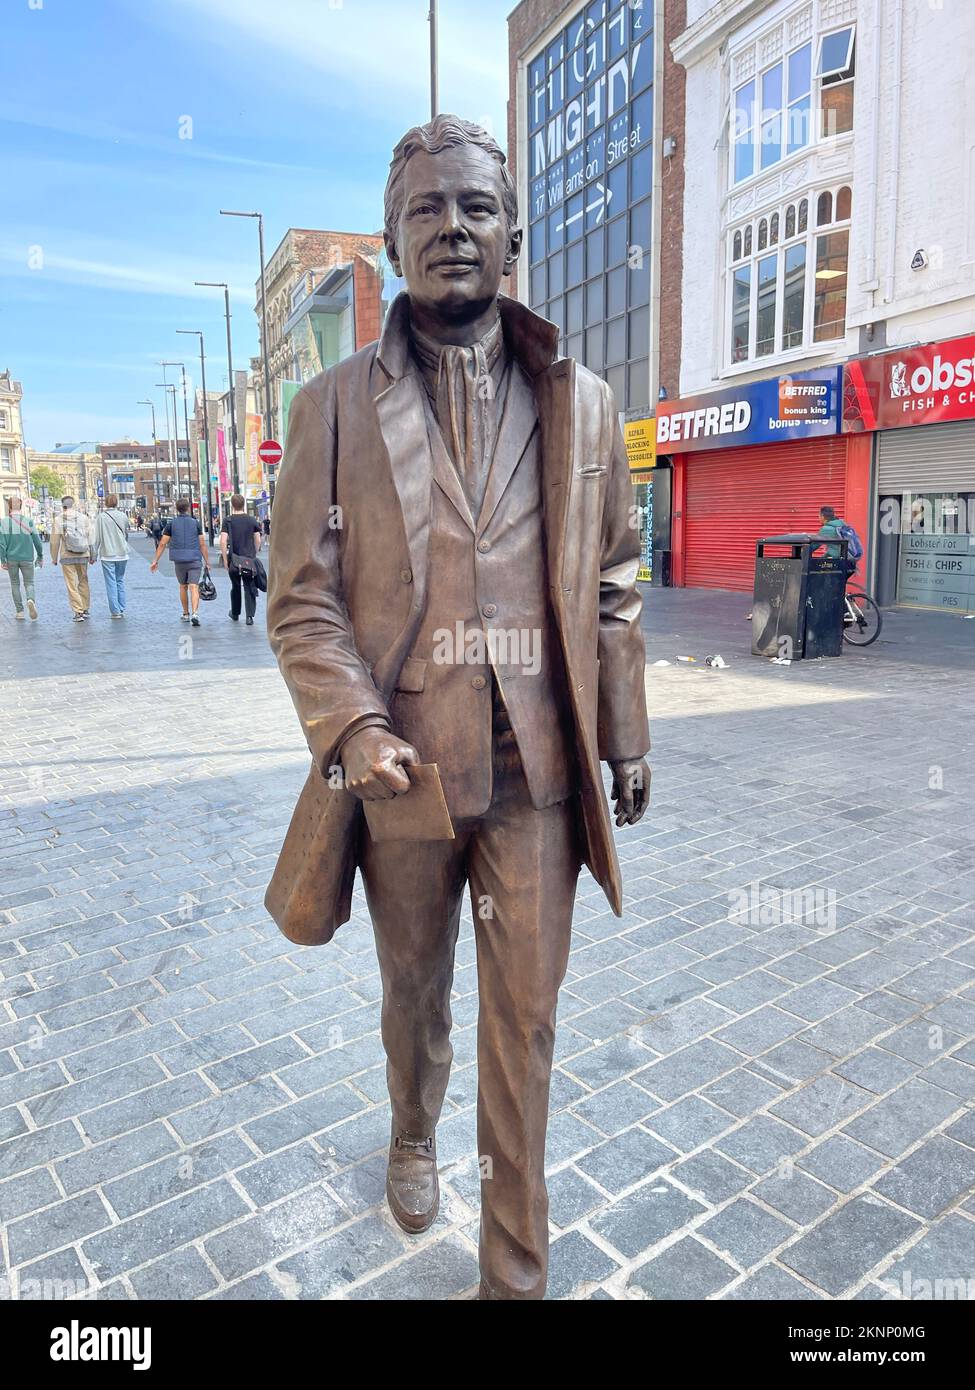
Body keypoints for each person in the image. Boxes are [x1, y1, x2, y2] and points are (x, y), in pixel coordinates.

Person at [264, 115, 650, 1301]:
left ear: (513, 235)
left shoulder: (580, 403)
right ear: (391, 238)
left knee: (524, 1019)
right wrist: (358, 726)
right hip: (407, 775)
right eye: (426, 210)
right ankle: (412, 1127)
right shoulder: (330, 408)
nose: (452, 229)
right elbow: (302, 600)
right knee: (415, 989)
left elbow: (615, 579)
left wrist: (624, 730)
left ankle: (514, 1276)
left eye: (475, 208)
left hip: (538, 768)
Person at [150, 497, 208, 626]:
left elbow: (162, 543)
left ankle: (186, 613)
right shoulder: (196, 523)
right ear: (188, 508)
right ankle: (195, 613)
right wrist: (207, 561)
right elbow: (202, 544)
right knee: (194, 586)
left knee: (183, 586)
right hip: (194, 559)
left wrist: (155, 560)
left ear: (176, 509)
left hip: (179, 560)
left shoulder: (171, 524)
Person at [220, 494, 262, 626]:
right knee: (249, 586)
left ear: (232, 505)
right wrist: (254, 553)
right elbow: (258, 539)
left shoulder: (228, 521)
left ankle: (235, 613)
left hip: (234, 559)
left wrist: (226, 560)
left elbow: (222, 541)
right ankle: (249, 616)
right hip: (249, 560)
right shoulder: (251, 520)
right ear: (244, 504)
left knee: (235, 586)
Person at [51, 496, 94, 621]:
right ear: (73, 504)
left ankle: (78, 611)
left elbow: (54, 542)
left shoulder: (58, 520)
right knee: (83, 581)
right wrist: (92, 554)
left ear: (62, 506)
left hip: (67, 555)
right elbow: (91, 537)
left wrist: (54, 557)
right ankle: (85, 608)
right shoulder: (84, 518)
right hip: (83, 554)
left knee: (72, 584)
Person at [0, 495, 43, 620]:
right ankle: (30, 600)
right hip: (27, 557)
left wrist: (3, 560)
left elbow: (1, 544)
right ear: (21, 506)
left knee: (14, 584)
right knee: (29, 583)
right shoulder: (28, 521)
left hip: (11, 558)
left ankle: (20, 611)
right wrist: (40, 556)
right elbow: (37, 541)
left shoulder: (3, 522)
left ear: (9, 506)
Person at [94, 492, 130, 619]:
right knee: (119, 580)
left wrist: (93, 555)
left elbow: (97, 538)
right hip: (122, 554)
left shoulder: (101, 517)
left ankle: (115, 611)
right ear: (116, 503)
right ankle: (121, 606)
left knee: (111, 582)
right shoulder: (123, 515)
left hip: (107, 554)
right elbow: (126, 531)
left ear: (106, 503)